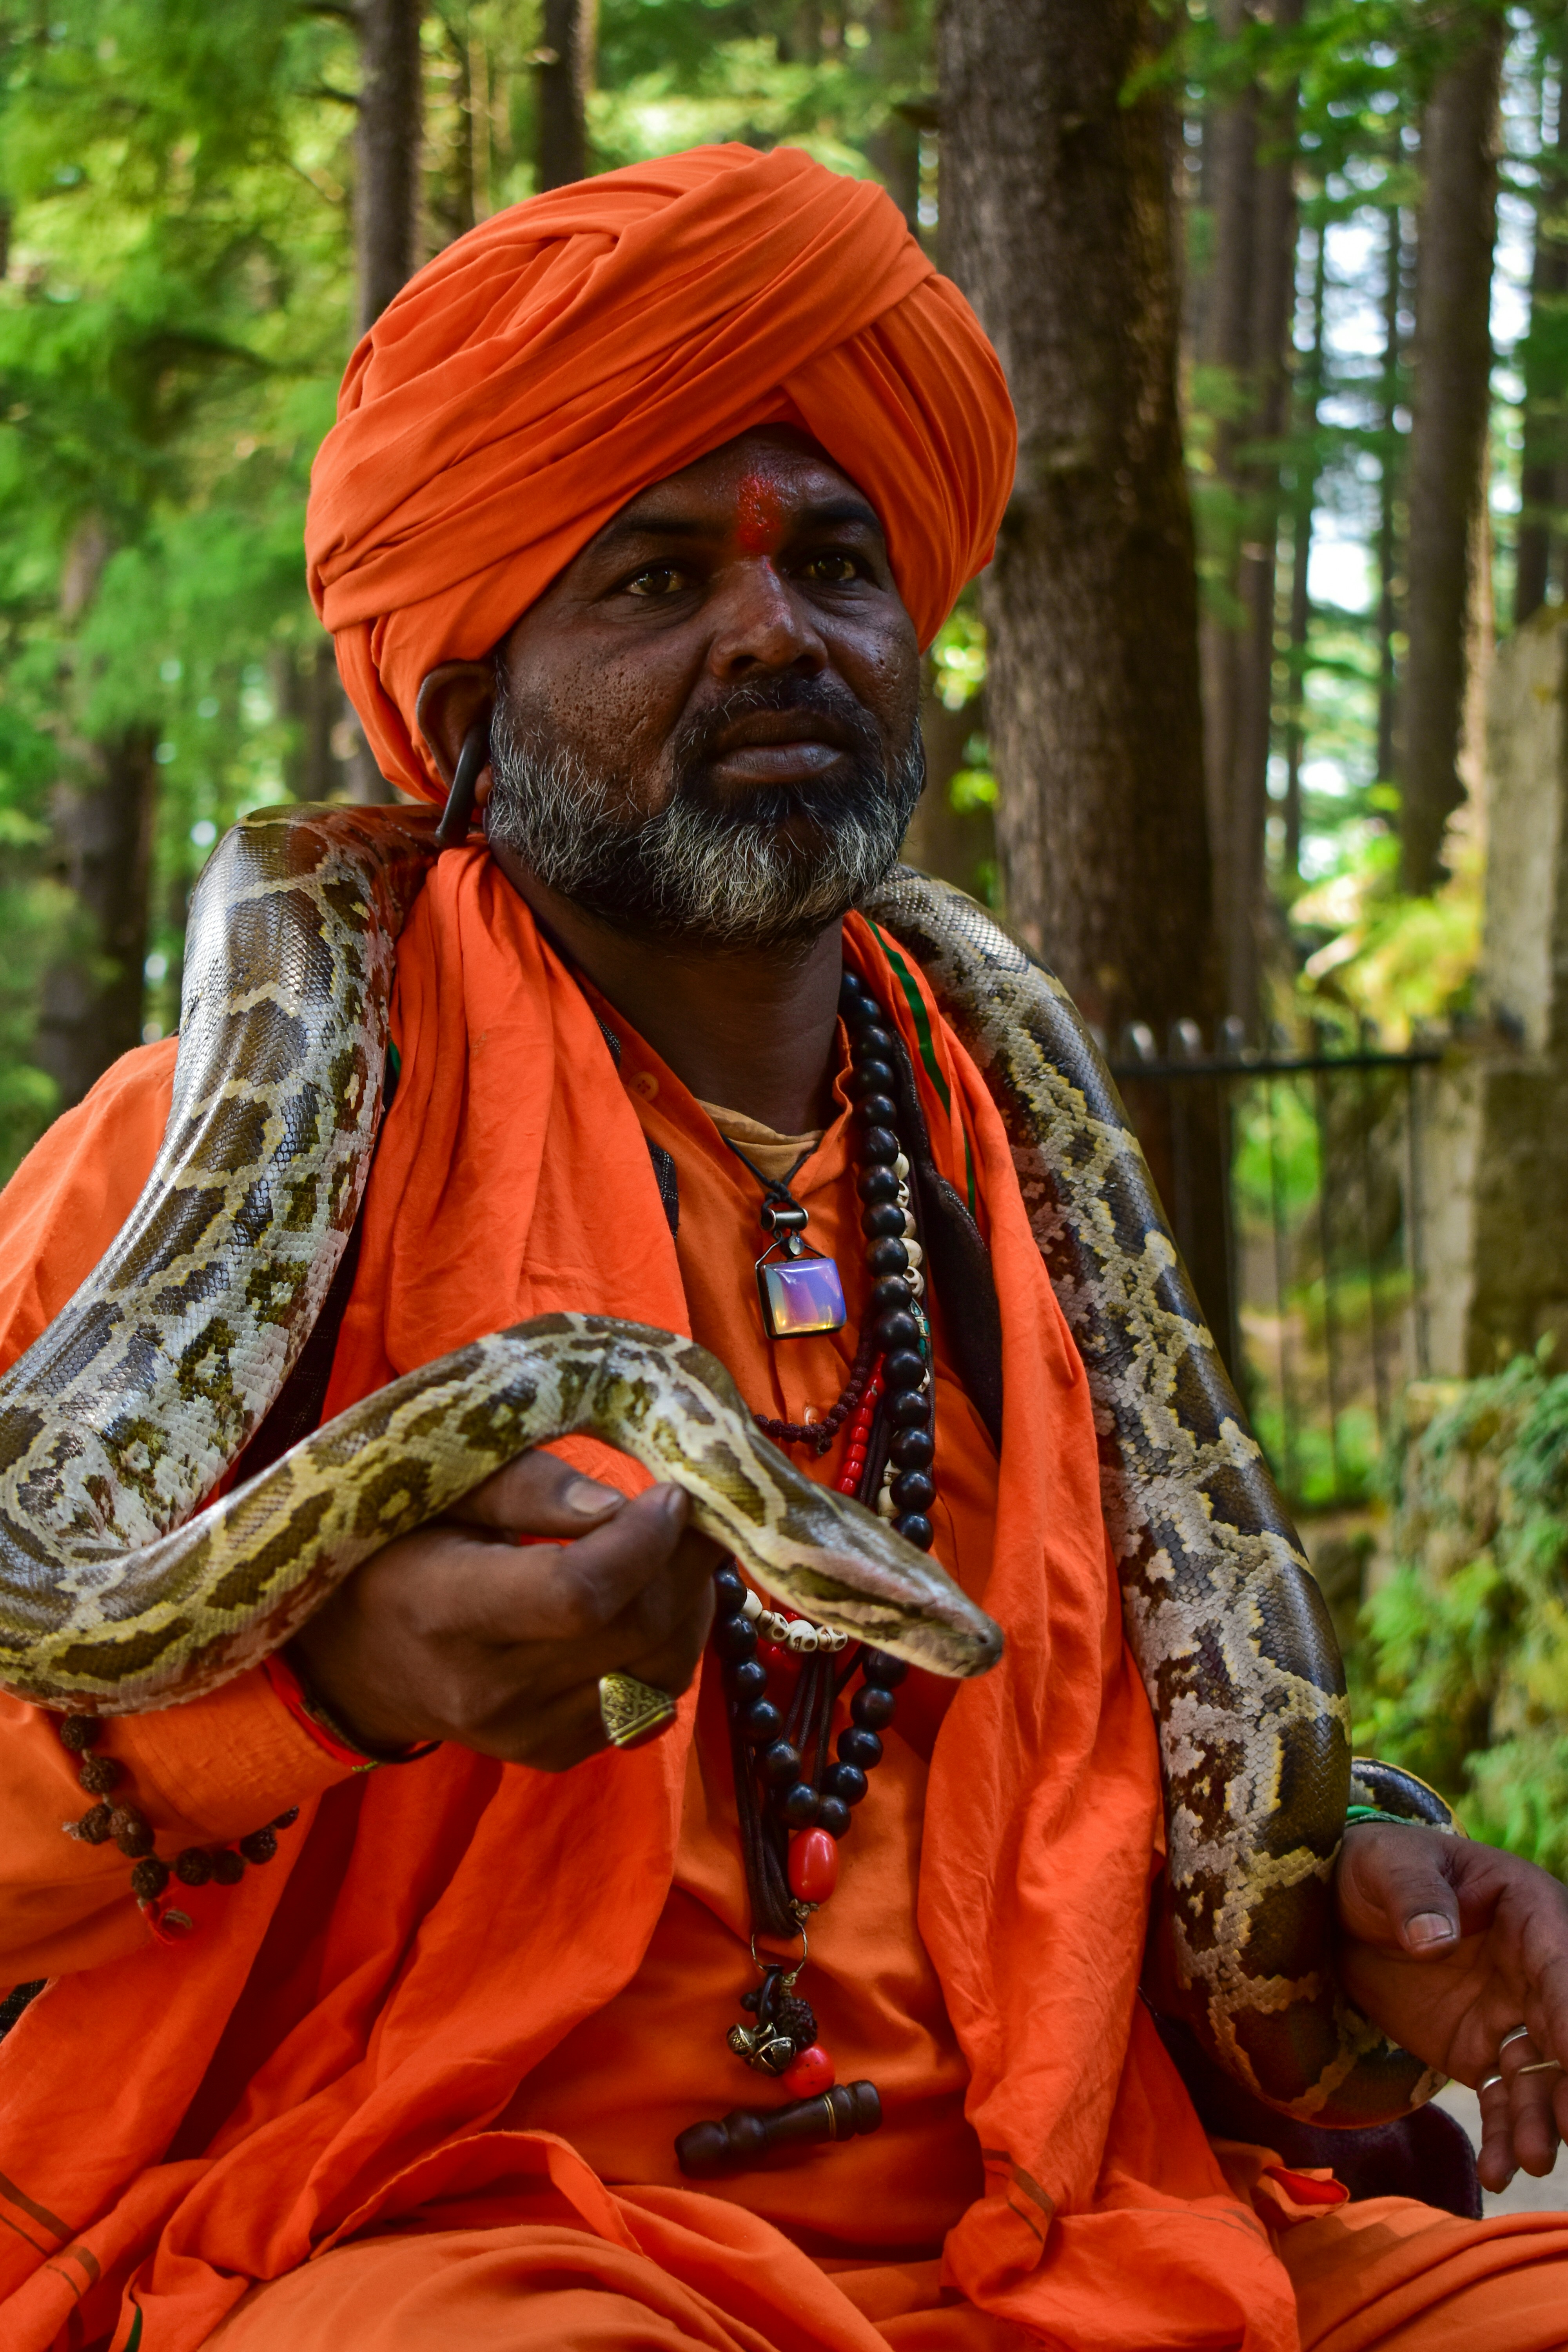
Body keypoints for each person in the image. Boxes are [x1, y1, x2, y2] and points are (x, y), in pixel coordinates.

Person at [0, 144, 1564, 2352]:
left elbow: (1110, 1817)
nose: (777, 626)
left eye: (837, 559)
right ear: (461, 712)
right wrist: (310, 1686)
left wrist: (1355, 1878)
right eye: (652, 578)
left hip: (1079, 2237)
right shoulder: (203, 1157)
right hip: (469, 2239)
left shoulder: (1010, 1152)